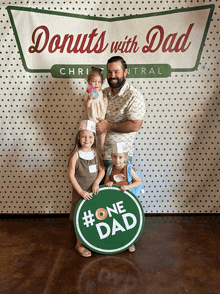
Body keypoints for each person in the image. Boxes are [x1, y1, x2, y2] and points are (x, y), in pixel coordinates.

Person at [96, 56, 146, 168]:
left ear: (125, 72)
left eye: (116, 72)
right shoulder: (103, 93)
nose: (112, 76)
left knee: (119, 186)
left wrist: (108, 126)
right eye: (109, 72)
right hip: (99, 156)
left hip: (119, 160)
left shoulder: (133, 96)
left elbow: (135, 125)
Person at [68, 120, 105, 257]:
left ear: (94, 138)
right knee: (81, 218)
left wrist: (96, 183)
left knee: (95, 216)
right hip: (80, 194)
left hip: (94, 192)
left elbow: (102, 170)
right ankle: (79, 244)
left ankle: (92, 240)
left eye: (90, 136)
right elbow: (71, 175)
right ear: (79, 137)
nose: (87, 140)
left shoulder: (96, 153)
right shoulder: (75, 155)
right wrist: (81, 191)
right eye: (84, 136)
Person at [104, 142, 143, 253]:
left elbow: (139, 182)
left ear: (125, 157)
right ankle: (114, 239)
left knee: (127, 220)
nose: (117, 160)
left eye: (120, 157)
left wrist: (127, 186)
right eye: (115, 157)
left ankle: (129, 241)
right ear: (111, 157)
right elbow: (106, 181)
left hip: (126, 198)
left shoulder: (129, 168)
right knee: (115, 220)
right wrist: (108, 183)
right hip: (114, 199)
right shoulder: (110, 169)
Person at [84, 67, 108, 152]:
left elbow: (104, 103)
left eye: (99, 82)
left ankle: (101, 148)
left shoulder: (102, 93)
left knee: (103, 132)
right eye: (93, 81)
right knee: (90, 137)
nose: (96, 84)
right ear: (88, 82)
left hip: (101, 119)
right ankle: (92, 150)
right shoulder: (88, 94)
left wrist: (105, 99)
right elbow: (86, 105)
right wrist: (90, 99)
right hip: (92, 120)